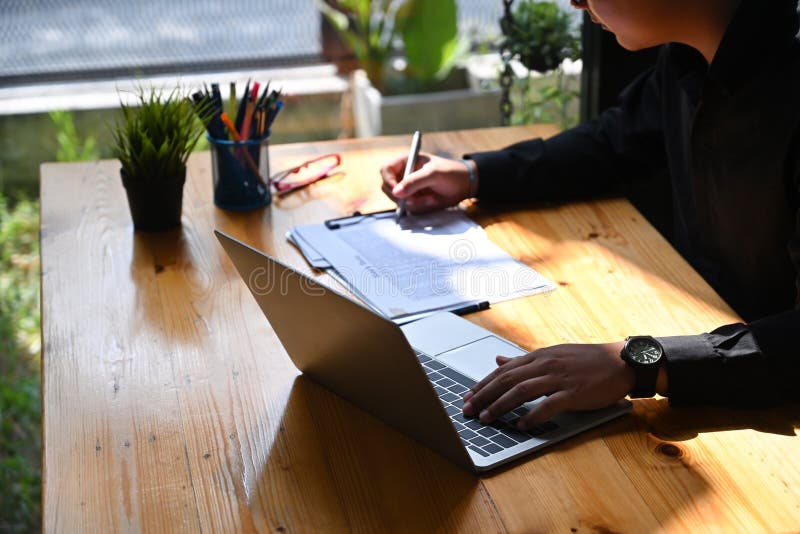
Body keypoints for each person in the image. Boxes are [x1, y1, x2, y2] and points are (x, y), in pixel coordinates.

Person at [380, 0, 800, 432]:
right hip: (705, 344)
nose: (574, 2)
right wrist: (475, 175)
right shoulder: (690, 56)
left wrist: (639, 365)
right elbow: (615, 141)